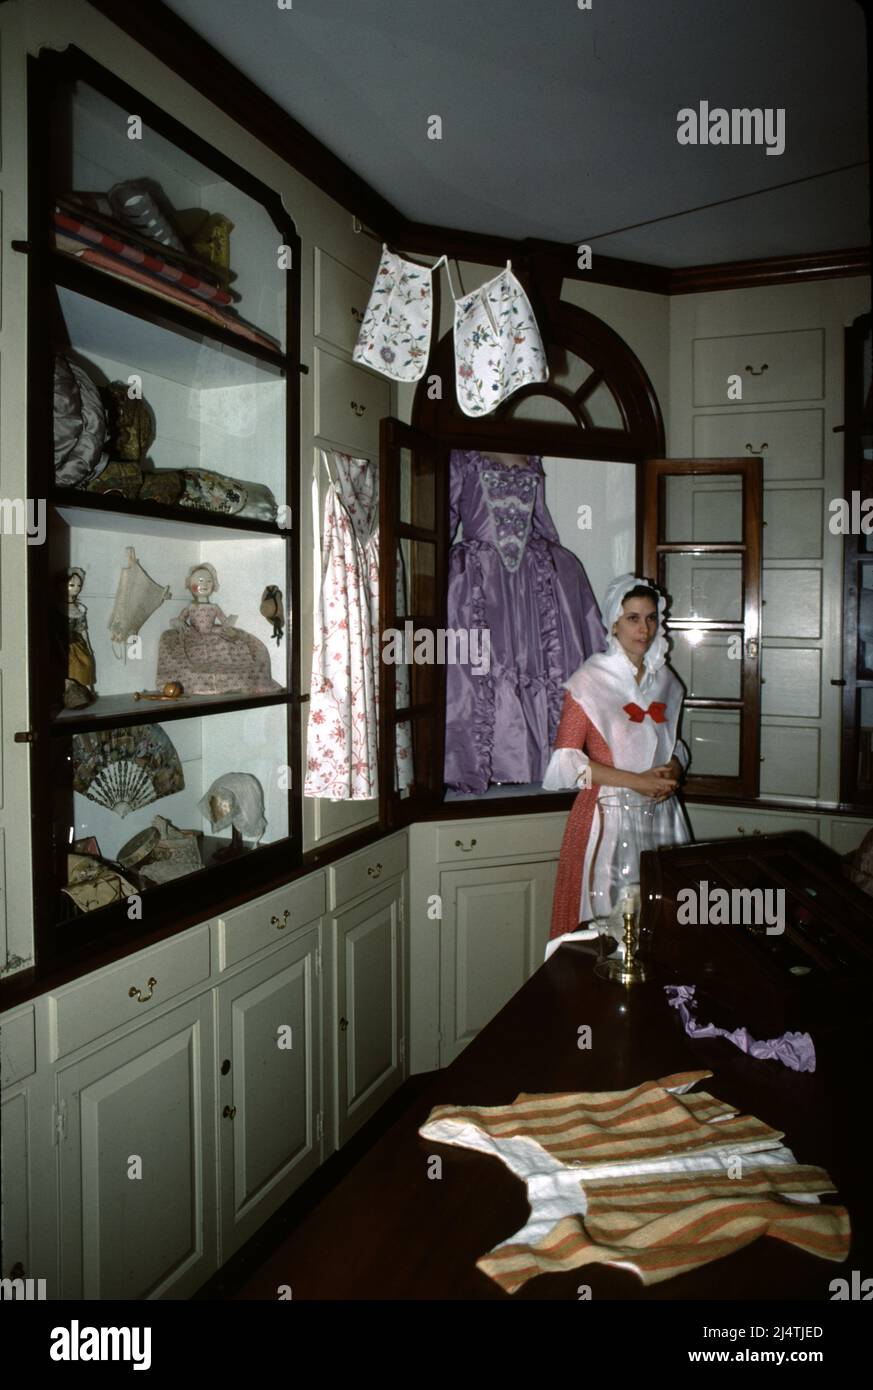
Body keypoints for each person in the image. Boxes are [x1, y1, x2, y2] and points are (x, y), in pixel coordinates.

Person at [543, 573, 691, 953]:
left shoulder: (666, 681)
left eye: (651, 618)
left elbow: (673, 745)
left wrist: (673, 768)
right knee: (609, 926)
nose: (644, 629)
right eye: (633, 618)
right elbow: (565, 762)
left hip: (661, 816)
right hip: (606, 817)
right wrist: (634, 781)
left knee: (661, 924)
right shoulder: (589, 681)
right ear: (613, 622)